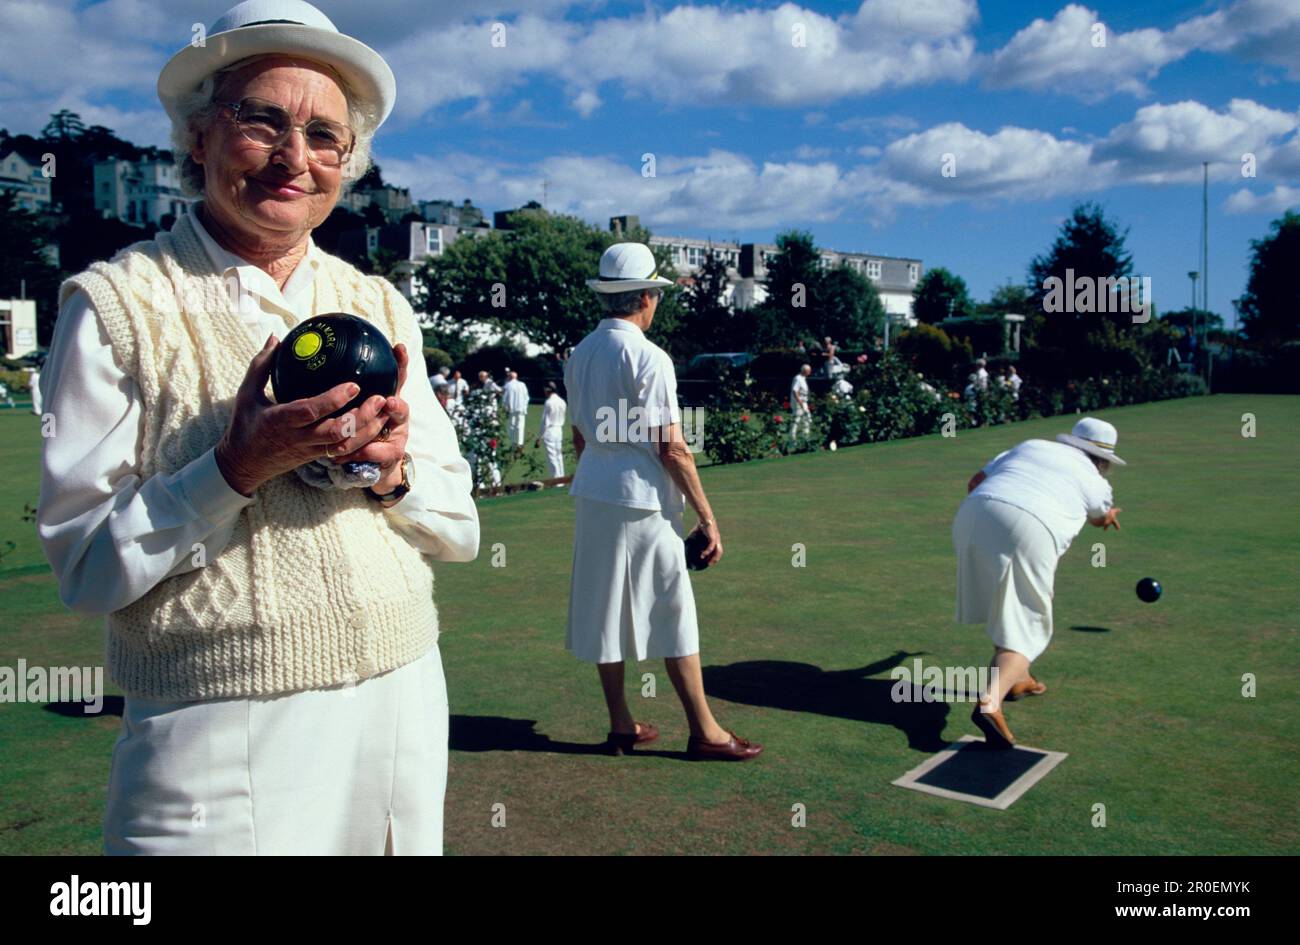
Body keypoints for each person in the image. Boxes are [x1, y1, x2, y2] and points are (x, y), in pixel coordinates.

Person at [36, 0, 479, 855]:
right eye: (263, 120)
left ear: (347, 163)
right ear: (198, 138)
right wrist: (233, 467)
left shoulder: (379, 303)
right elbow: (88, 567)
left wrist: (387, 472)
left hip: (400, 706)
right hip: (215, 726)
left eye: (324, 136)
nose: (293, 158)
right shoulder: (116, 305)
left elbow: (458, 524)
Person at [564, 242, 761, 761]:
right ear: (647, 297)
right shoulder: (649, 357)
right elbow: (671, 445)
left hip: (594, 493)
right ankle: (705, 732)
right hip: (644, 501)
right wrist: (708, 516)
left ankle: (622, 724)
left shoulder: (579, 354)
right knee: (675, 609)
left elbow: (580, 438)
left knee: (606, 609)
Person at [952, 417, 1125, 748]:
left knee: (1011, 610)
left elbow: (974, 482)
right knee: (1029, 627)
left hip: (971, 515)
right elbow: (1099, 516)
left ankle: (1019, 680)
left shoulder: (1031, 445)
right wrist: (1109, 517)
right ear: (1102, 461)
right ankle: (990, 701)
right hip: (1028, 528)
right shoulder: (1095, 480)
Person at [538, 382, 567, 479]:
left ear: (547, 390)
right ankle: (561, 477)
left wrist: (540, 437)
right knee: (559, 455)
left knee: (552, 456)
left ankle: (556, 479)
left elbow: (545, 421)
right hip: (559, 429)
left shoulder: (549, 402)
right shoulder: (562, 401)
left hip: (550, 430)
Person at [502, 370, 529, 448]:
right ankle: (520, 442)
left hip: (511, 409)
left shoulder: (508, 385)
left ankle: (513, 442)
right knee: (520, 425)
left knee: (512, 425)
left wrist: (506, 408)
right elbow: (526, 397)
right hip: (521, 408)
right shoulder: (522, 385)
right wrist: (525, 407)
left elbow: (505, 399)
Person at [790, 363, 812, 444]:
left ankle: (806, 438)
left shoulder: (803, 379)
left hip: (804, 402)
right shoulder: (798, 378)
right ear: (805, 371)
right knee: (796, 421)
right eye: (809, 371)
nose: (810, 372)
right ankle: (793, 440)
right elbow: (795, 391)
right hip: (799, 403)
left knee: (807, 419)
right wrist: (800, 403)